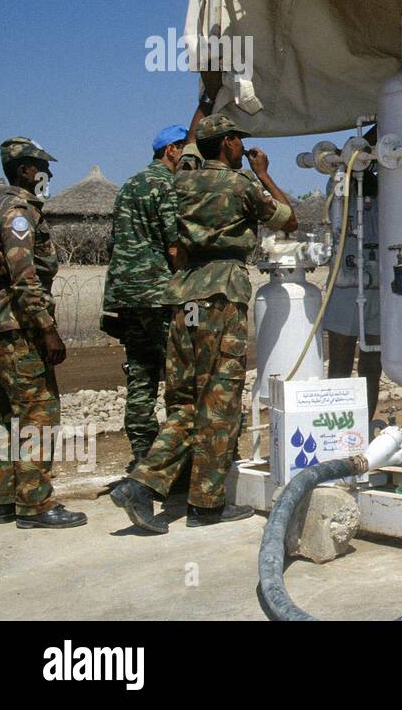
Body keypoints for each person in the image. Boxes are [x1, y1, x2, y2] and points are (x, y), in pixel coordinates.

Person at [110, 113, 297, 532]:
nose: (240, 146)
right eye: (236, 140)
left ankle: (142, 485)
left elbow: (173, 243)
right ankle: (205, 505)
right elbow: (288, 219)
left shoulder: (178, 183)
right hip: (221, 297)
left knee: (185, 401)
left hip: (184, 300)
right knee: (219, 401)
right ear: (228, 143)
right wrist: (263, 174)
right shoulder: (240, 184)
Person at [0, 137, 87, 528]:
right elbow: (25, 277)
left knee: (1, 413)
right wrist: (47, 330)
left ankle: (1, 498)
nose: (46, 175)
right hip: (19, 327)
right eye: (40, 167)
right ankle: (35, 504)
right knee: (38, 413)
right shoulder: (18, 211)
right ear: (25, 170)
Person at [103, 124, 187, 471]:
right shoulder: (166, 184)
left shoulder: (129, 186)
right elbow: (173, 242)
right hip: (157, 292)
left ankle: (142, 450)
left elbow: (115, 241)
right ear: (171, 150)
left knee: (140, 373)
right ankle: (173, 458)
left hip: (125, 292)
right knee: (178, 374)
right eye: (183, 150)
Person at [325, 130, 381, 418]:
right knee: (340, 360)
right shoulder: (338, 186)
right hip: (345, 281)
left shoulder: (386, 185)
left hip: (378, 283)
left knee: (372, 360)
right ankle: (335, 424)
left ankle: (364, 424)